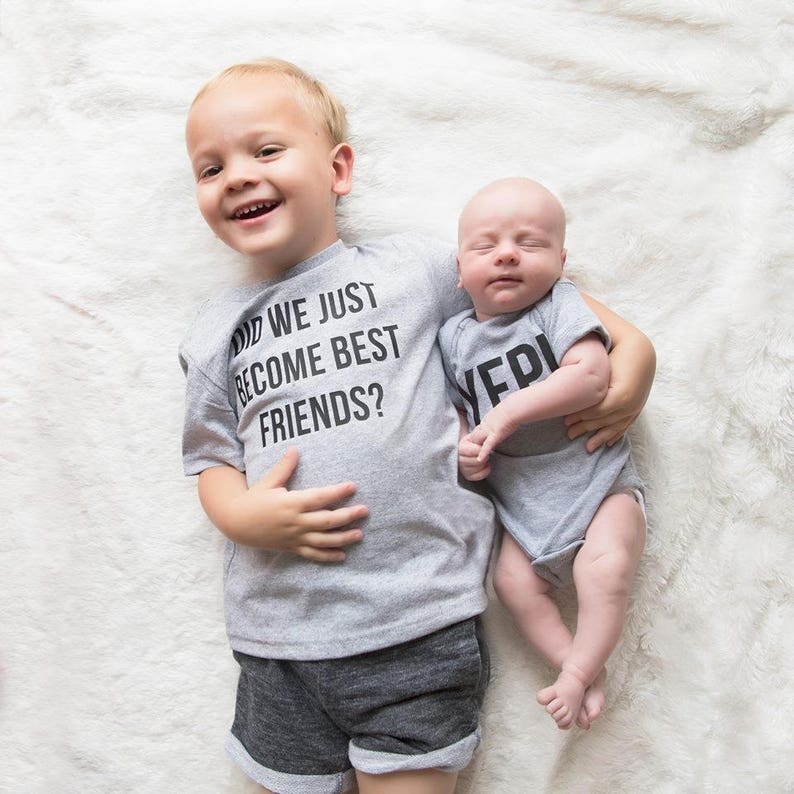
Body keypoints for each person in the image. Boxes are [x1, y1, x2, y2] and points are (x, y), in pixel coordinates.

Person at [179, 58, 656, 794]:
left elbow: (547, 298)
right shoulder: (216, 329)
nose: (236, 176)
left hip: (420, 619)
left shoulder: (415, 269)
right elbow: (211, 457)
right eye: (210, 169)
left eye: (266, 151)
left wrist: (636, 356)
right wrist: (242, 513)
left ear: (338, 169)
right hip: (281, 635)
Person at [439, 177, 648, 732]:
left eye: (529, 244)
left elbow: (591, 377)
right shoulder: (455, 338)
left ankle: (579, 672)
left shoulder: (558, 306)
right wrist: (470, 453)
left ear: (560, 261)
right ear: (459, 270)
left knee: (604, 570)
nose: (507, 253)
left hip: (598, 485)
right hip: (525, 509)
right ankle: (577, 666)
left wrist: (505, 416)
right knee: (511, 584)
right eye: (486, 246)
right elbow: (462, 412)